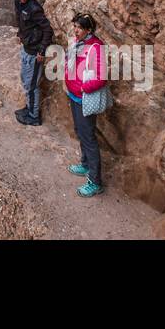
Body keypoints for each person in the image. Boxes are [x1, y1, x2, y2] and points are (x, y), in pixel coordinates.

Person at [64, 13, 106, 197]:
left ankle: (95, 182)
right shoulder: (77, 42)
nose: (76, 30)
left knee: (88, 137)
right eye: (75, 26)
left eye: (80, 28)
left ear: (89, 30)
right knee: (80, 131)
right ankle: (85, 164)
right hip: (74, 95)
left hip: (83, 97)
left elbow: (101, 77)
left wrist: (83, 88)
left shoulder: (96, 47)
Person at [12, 0, 52, 126]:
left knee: (32, 85)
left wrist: (42, 51)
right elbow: (22, 22)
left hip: (35, 52)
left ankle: (34, 116)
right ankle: (29, 108)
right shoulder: (18, 2)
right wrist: (20, 34)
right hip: (26, 48)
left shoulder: (34, 8)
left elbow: (47, 29)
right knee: (25, 80)